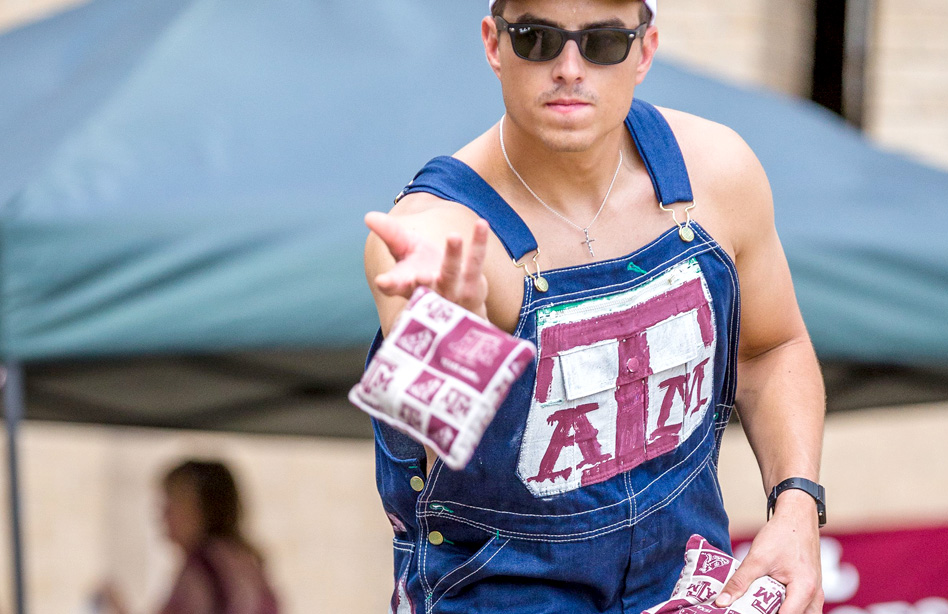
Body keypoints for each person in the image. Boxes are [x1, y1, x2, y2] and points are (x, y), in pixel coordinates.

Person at [362, 1, 826, 612]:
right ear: (494, 45)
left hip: (682, 588)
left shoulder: (716, 173)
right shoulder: (440, 230)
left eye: (603, 41)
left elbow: (771, 349)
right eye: (537, 39)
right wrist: (452, 323)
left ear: (645, 50)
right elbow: (430, 428)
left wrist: (796, 507)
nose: (570, 68)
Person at [96, 460, 279, 614]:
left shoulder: (206, 565)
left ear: (201, 509)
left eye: (173, 502)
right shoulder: (241, 561)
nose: (162, 514)